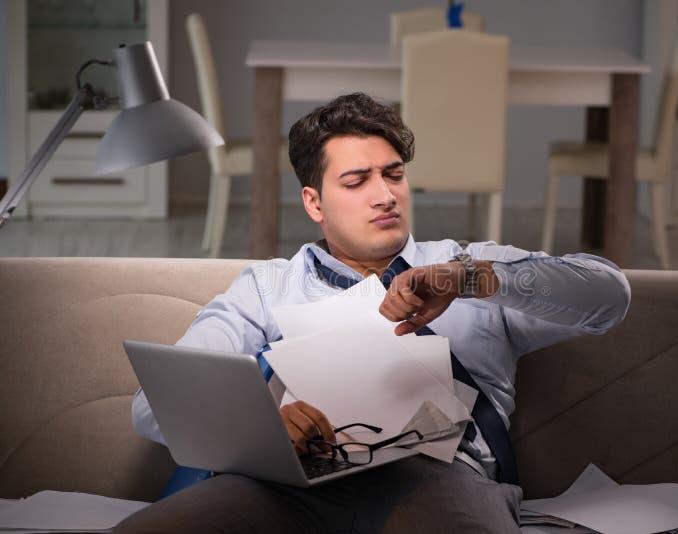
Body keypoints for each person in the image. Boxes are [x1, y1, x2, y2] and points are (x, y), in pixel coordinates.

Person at [116, 92, 630, 533]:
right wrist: (265, 427)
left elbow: (610, 297)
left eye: (394, 174)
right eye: (357, 181)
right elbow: (153, 405)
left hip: (439, 480)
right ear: (314, 203)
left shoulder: (465, 266)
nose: (385, 196)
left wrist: (469, 278)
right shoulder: (269, 287)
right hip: (285, 484)